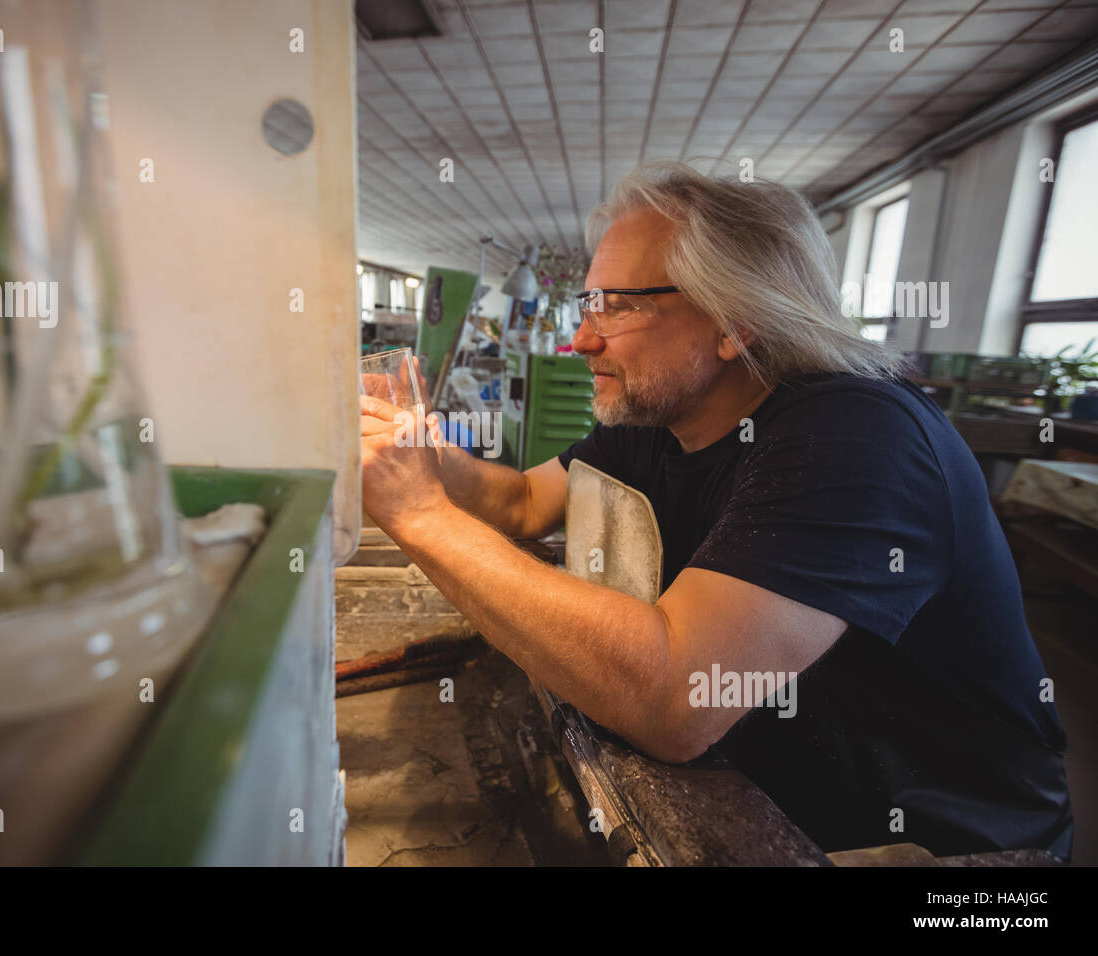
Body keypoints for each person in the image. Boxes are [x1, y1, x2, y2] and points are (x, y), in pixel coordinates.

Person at [359, 160, 1072, 860]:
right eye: (588, 304)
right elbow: (518, 503)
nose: (582, 340)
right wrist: (417, 449)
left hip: (933, 848)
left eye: (620, 304)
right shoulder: (657, 418)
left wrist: (423, 515)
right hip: (769, 790)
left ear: (735, 322)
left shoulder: (859, 439)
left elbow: (676, 699)